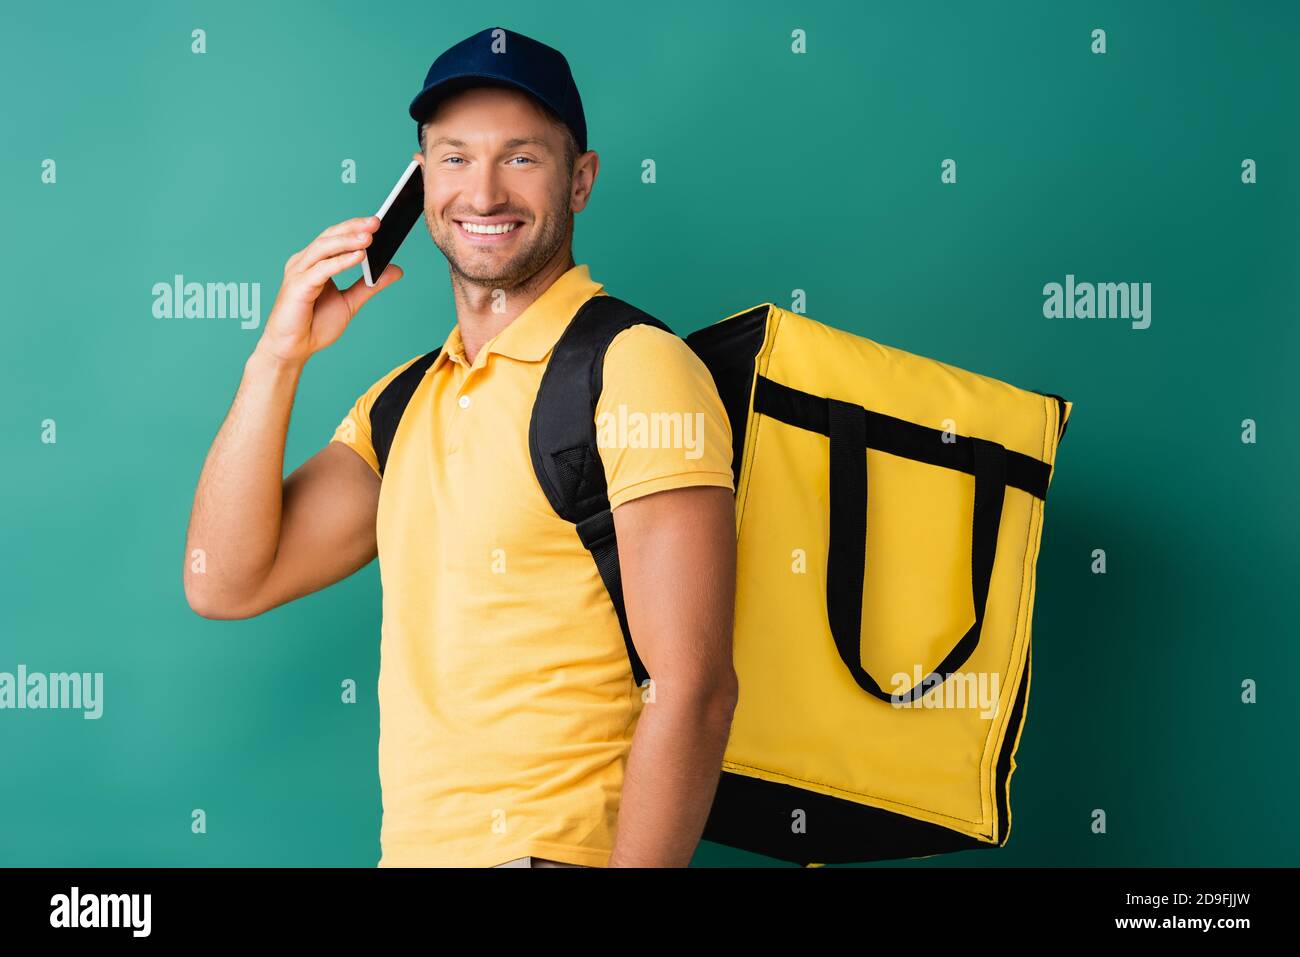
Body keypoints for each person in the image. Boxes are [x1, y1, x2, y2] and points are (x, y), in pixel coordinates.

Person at [182, 26, 739, 868]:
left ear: (580, 179)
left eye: (521, 158)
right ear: (417, 183)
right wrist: (276, 359)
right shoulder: (403, 402)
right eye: (452, 159)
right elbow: (223, 580)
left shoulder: (633, 368)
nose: (483, 192)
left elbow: (695, 689)